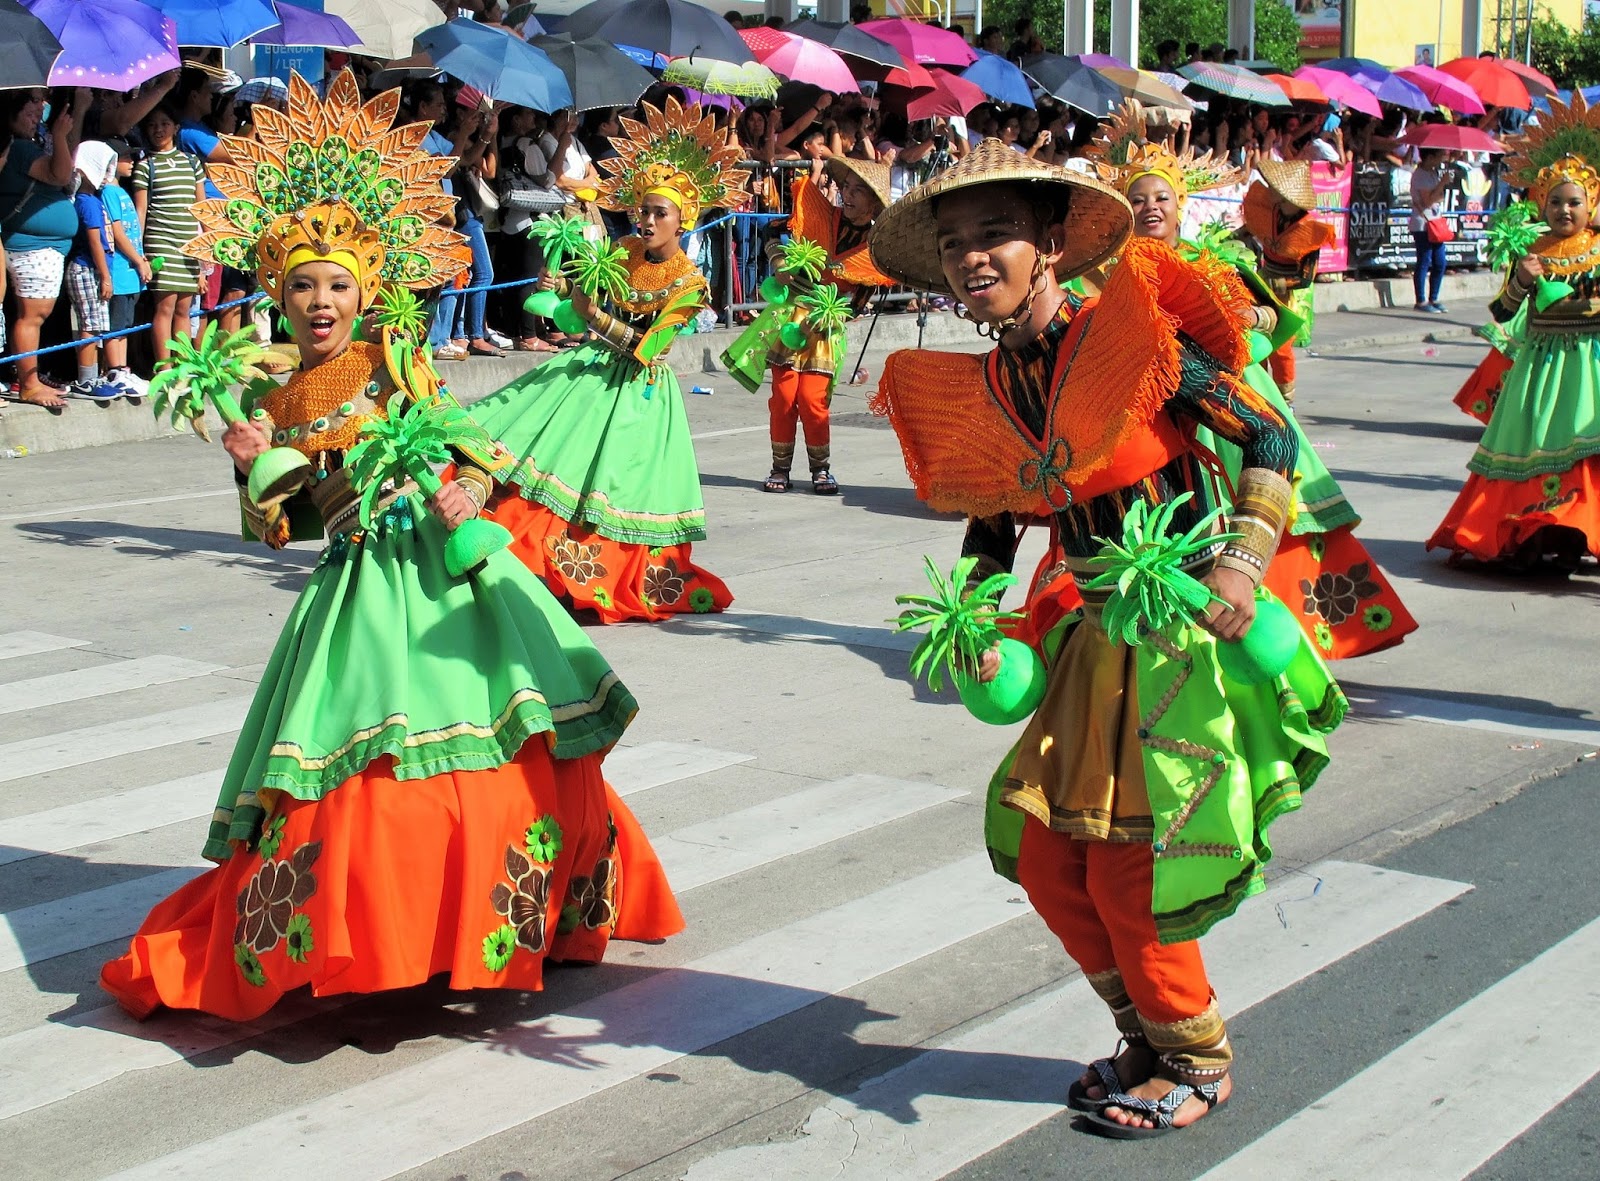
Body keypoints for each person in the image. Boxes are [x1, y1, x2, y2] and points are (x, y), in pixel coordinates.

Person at [101, 71, 682, 1021]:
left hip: (451, 577)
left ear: (366, 291)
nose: (320, 302)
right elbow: (279, 530)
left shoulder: (396, 358)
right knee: (366, 779)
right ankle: (385, 941)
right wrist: (248, 467)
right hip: (357, 591)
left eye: (337, 285)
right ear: (277, 294)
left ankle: (485, 930)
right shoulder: (269, 395)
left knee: (508, 765)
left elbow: (477, 449)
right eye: (301, 286)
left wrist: (466, 490)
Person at [869, 141, 1345, 1136]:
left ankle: (1199, 1055)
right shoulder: (996, 386)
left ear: (1048, 244)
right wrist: (968, 618)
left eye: (993, 233)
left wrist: (1241, 563)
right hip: (1089, 647)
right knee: (1048, 860)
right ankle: (1143, 1033)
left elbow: (1265, 435)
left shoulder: (1135, 337)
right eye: (954, 242)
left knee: (1135, 868)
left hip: (1184, 641)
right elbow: (994, 521)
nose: (972, 258)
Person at [1091, 102, 1417, 659]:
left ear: (1181, 205)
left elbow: (1273, 315)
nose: (1150, 209)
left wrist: (1244, 320)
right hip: (1150, 422)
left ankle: (1289, 639)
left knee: (1259, 512)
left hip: (1233, 411)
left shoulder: (1210, 260)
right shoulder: (1101, 274)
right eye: (1138, 200)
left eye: (1161, 198)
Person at [467, 98, 741, 623]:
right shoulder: (626, 250)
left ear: (685, 219)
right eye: (643, 210)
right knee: (534, 441)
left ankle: (588, 576)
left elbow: (649, 348)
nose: (647, 220)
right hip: (591, 370)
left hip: (639, 391)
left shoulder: (690, 282)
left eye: (660, 213)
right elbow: (587, 293)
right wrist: (564, 284)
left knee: (607, 484)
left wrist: (591, 314)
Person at [1428, 94, 1600, 571]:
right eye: (1555, 202)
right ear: (1540, 203)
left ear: (1592, 204)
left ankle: (1575, 529)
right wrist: (1523, 280)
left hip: (1590, 364)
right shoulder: (1532, 250)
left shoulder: (1599, 250)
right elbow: (1502, 312)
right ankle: (1534, 529)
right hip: (1541, 365)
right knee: (1534, 446)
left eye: (1574, 203)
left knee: (1585, 446)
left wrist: (1575, 306)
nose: (1564, 211)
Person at [723, 157, 892, 495]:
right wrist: (779, 261)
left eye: (859, 190)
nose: (849, 195)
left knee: (813, 401)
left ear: (874, 201)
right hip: (788, 318)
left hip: (824, 327)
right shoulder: (821, 216)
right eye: (847, 187)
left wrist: (830, 315)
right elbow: (772, 235)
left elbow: (856, 303)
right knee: (784, 397)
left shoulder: (875, 247)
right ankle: (779, 467)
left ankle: (821, 469)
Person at [0, 88, 85, 410]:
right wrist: (59, 135)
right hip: (32, 246)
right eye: (32, 102)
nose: (41, 108)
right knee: (32, 316)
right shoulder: (19, 148)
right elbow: (59, 173)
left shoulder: (22, 146)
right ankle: (29, 383)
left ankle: (29, 378)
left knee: (34, 314)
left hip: (41, 246)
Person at [1237, 159, 1335, 402]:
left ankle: (1285, 401)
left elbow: (1305, 278)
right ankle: (1259, 395)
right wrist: (1234, 236)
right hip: (1262, 284)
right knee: (1256, 340)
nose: (1271, 192)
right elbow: (1252, 228)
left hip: (1288, 295)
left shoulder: (1310, 230)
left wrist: (1281, 284)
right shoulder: (1271, 212)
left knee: (1280, 349)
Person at [133, 104, 205, 365]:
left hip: (189, 243)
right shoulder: (145, 166)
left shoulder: (192, 162)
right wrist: (139, 252)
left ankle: (185, 365)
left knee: (185, 309)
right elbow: (141, 211)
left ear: (176, 128)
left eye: (164, 123)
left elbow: (201, 206)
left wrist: (207, 247)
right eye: (152, 125)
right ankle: (164, 368)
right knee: (165, 307)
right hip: (160, 240)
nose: (158, 129)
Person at [64, 141, 123, 402]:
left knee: (97, 324)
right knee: (89, 324)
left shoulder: (94, 199)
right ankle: (85, 380)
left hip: (94, 270)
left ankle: (93, 376)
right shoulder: (86, 202)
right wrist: (105, 275)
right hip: (87, 268)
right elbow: (94, 241)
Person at [100, 138, 153, 396]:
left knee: (126, 325)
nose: (131, 162)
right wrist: (138, 260)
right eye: (125, 158)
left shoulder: (123, 191)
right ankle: (114, 371)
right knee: (116, 326)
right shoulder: (109, 193)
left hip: (132, 272)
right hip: (120, 271)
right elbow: (118, 233)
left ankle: (122, 370)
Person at [1409, 148, 1452, 312]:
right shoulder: (1420, 175)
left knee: (1440, 262)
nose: (1442, 159)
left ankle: (1434, 298)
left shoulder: (1433, 173)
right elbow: (1427, 201)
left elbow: (1439, 197)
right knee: (1424, 260)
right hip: (1422, 223)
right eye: (1440, 155)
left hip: (1436, 222)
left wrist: (1439, 187)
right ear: (1430, 157)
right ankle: (1420, 300)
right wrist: (1441, 184)